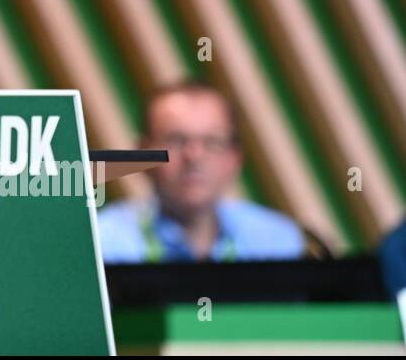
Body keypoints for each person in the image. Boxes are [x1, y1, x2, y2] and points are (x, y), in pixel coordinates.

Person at [97, 79, 305, 263]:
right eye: (176, 140)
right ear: (141, 155)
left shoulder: (277, 241)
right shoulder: (101, 243)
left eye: (212, 141)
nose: (194, 156)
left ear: (235, 157)